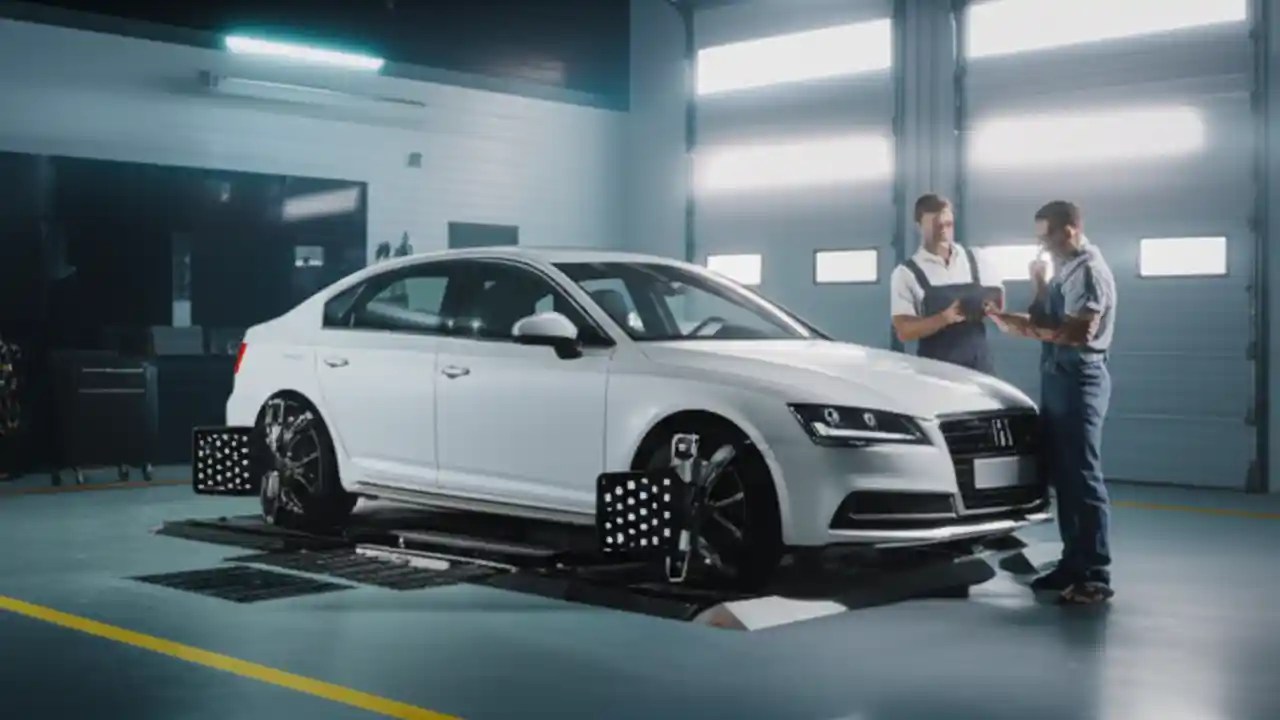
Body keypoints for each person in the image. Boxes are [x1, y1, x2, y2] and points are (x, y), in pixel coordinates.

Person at [988, 200, 1118, 605]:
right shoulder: (1066, 268)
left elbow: (1076, 334)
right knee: (1064, 476)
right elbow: (1049, 321)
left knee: (1082, 474)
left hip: (1080, 377)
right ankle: (1072, 565)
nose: (1043, 246)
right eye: (1038, 239)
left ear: (1072, 229)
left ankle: (1094, 574)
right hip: (1059, 375)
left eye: (1049, 237)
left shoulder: (1090, 272)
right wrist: (1038, 287)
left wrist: (1021, 330)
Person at [889, 194, 1004, 374]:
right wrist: (945, 318)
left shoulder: (976, 259)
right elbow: (904, 331)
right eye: (936, 225)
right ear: (918, 225)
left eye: (948, 225)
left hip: (981, 367)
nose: (943, 230)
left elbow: (999, 304)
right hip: (936, 372)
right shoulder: (906, 273)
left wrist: (990, 307)